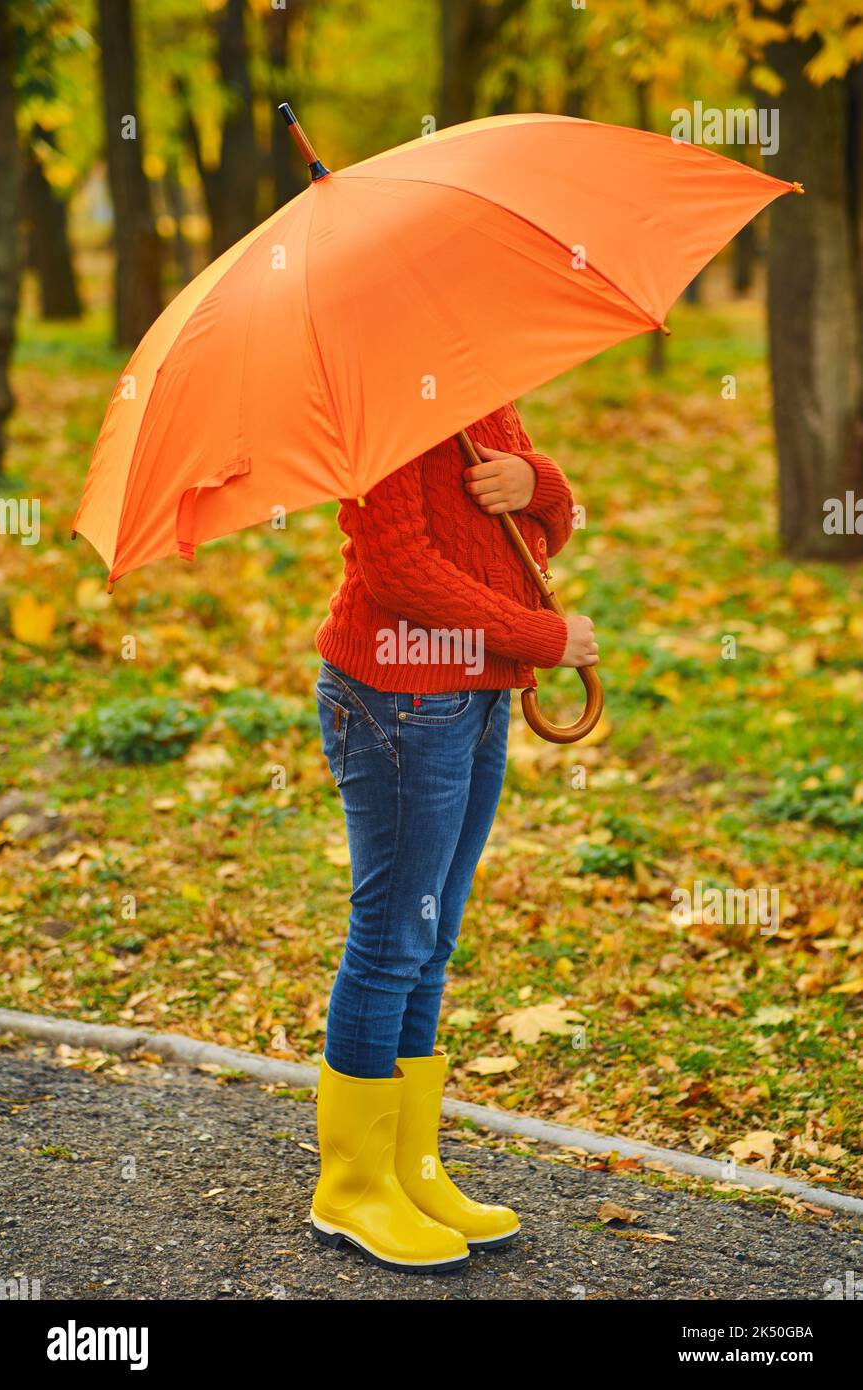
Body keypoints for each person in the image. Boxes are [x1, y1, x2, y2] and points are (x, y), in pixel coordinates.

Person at [311, 400, 599, 1272]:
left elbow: (533, 542)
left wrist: (539, 484)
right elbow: (400, 573)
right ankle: (353, 1191)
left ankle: (413, 1165)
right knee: (393, 937)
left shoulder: (481, 393)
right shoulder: (381, 410)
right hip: (400, 700)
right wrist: (541, 637)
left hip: (473, 697)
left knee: (431, 937)